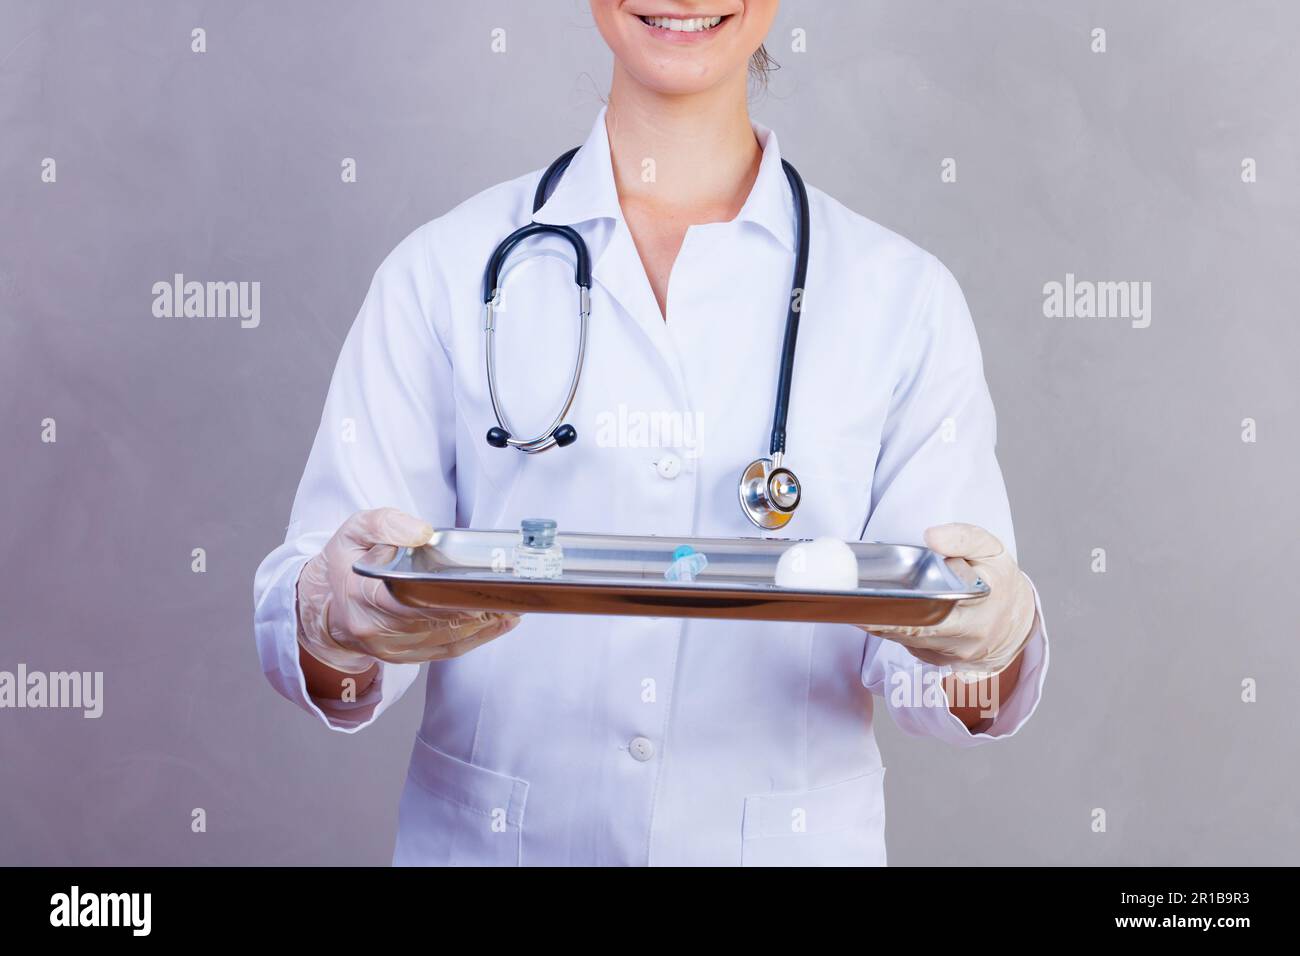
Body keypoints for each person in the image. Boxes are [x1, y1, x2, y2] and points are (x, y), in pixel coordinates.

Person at [254, 0, 1048, 866]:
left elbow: (949, 687)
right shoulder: (441, 272)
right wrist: (333, 618)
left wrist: (991, 639)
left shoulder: (902, 301)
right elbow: (327, 653)